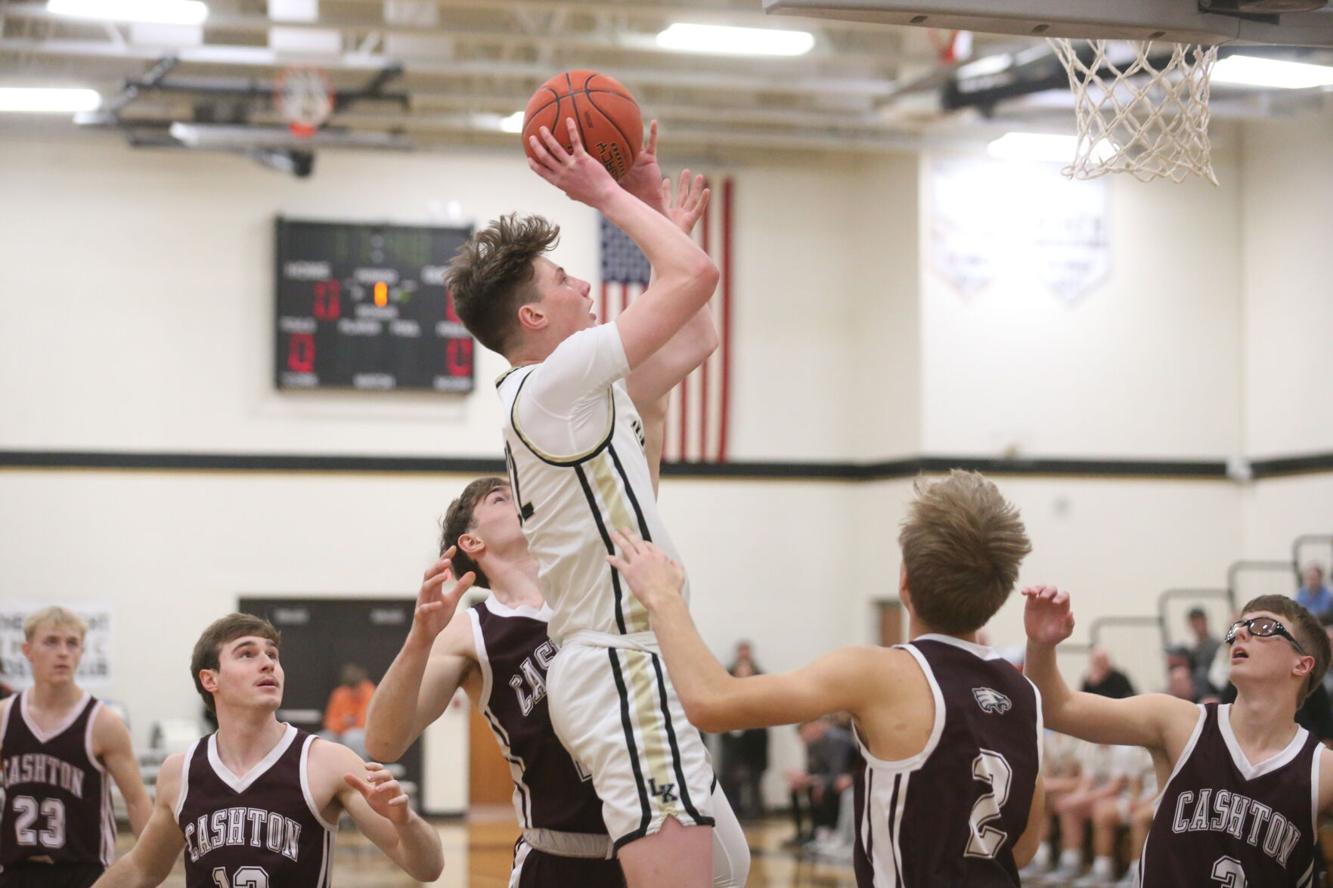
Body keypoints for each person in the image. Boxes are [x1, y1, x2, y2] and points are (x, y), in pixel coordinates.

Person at [447, 116, 722, 888]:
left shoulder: (574, 396)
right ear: (532, 318)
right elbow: (695, 275)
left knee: (722, 869)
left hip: (633, 661)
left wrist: (648, 202)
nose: (583, 286)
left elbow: (693, 337)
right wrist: (608, 193)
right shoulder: (552, 386)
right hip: (622, 663)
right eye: (563, 279)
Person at [609, 470, 1047, 886]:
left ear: (905, 581)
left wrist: (663, 597)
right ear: (1002, 589)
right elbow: (1023, 847)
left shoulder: (880, 673)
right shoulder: (1024, 694)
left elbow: (710, 701)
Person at [91, 613, 443, 887]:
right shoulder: (179, 771)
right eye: (247, 654)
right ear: (210, 679)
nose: (267, 663)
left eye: (272, 655)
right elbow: (142, 869)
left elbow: (427, 868)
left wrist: (406, 821)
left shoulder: (327, 762)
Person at [1024, 588, 1333, 887]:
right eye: (1237, 627)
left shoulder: (1323, 770)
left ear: (1302, 664)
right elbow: (1056, 708)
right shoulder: (1179, 721)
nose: (1240, 633)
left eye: (1263, 627)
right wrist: (1040, 645)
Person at [0, 607, 151, 888]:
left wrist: (151, 872)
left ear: (81, 652)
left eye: (72, 643)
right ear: (27, 650)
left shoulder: (103, 723)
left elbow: (136, 800)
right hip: (16, 871)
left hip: (84, 873)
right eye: (51, 641)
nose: (63, 652)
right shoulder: (5, 716)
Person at [785, 717, 854, 850]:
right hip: (827, 779)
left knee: (824, 790)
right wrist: (802, 778)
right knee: (795, 788)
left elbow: (838, 771)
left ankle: (826, 828)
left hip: (846, 779)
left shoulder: (837, 740)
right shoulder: (811, 743)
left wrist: (818, 781)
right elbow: (812, 769)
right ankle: (803, 832)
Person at [718, 659, 768, 821]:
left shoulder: (759, 691)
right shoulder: (728, 692)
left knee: (754, 782)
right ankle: (735, 813)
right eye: (740, 670)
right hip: (734, 744)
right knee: (731, 780)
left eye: (746, 670)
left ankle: (755, 814)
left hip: (754, 745)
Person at [319, 662, 374, 758]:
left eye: (357, 687)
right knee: (320, 739)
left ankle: (360, 765)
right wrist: (343, 722)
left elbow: (365, 724)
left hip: (361, 735)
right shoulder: (339, 694)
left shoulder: (370, 693)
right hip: (340, 732)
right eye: (350, 688)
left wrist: (347, 723)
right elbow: (329, 723)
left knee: (352, 737)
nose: (354, 692)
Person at [1186, 607, 1221, 697]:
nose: (1197, 626)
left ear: (1205, 621)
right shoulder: (1194, 649)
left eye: (1199, 622)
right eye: (1194, 623)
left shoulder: (1216, 645)